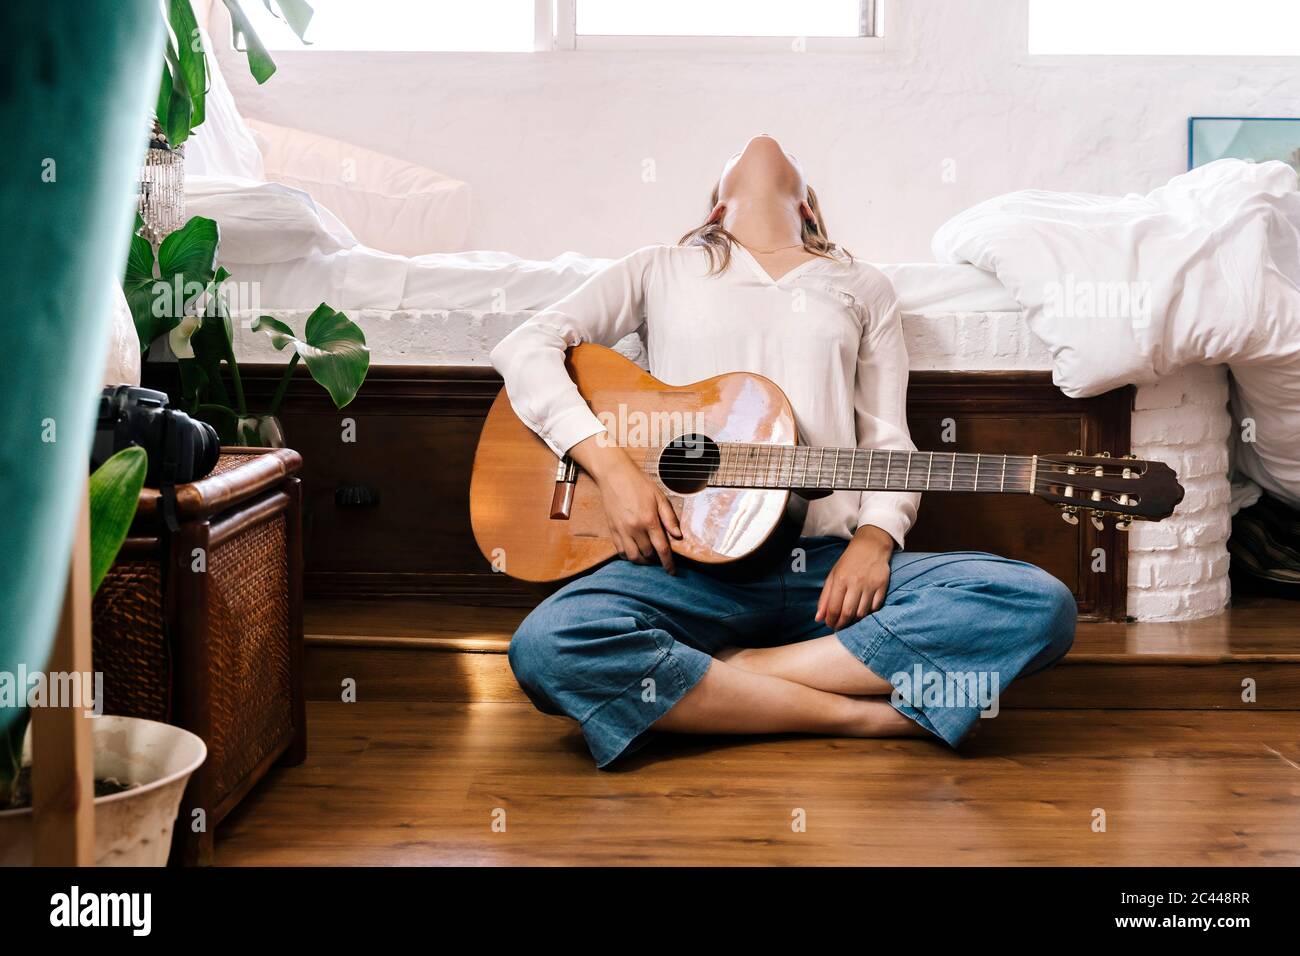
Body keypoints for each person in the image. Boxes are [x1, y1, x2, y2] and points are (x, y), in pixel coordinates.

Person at [490, 134, 1075, 768]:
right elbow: (525, 348)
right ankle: (856, 716)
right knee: (546, 647)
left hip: (828, 568)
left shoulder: (862, 286)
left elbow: (887, 438)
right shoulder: (657, 267)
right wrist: (611, 468)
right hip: (683, 568)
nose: (759, 143)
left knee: (1039, 605)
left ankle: (735, 676)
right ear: (714, 212)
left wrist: (874, 542)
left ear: (810, 210)